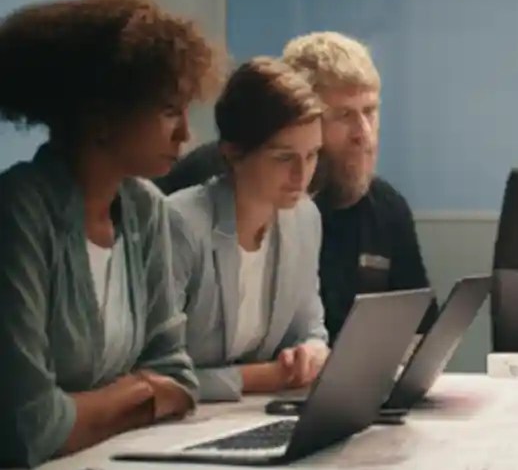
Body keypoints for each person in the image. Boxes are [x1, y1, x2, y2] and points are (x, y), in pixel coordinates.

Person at [0, 0, 219, 467]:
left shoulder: (146, 208)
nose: (186, 133)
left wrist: (84, 413)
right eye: (168, 112)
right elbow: (28, 425)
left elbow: (180, 378)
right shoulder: (20, 210)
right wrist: (145, 392)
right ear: (100, 115)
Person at [156, 32, 436, 340]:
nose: (364, 134)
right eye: (343, 115)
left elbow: (420, 328)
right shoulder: (216, 181)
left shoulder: (382, 208)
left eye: (370, 111)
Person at [168, 58, 330, 402]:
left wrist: (311, 353)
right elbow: (160, 376)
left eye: (313, 155)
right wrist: (262, 378)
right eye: (284, 157)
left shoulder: (304, 219)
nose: (303, 176)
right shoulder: (181, 224)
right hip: (172, 425)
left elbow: (311, 328)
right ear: (233, 153)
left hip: (252, 416)